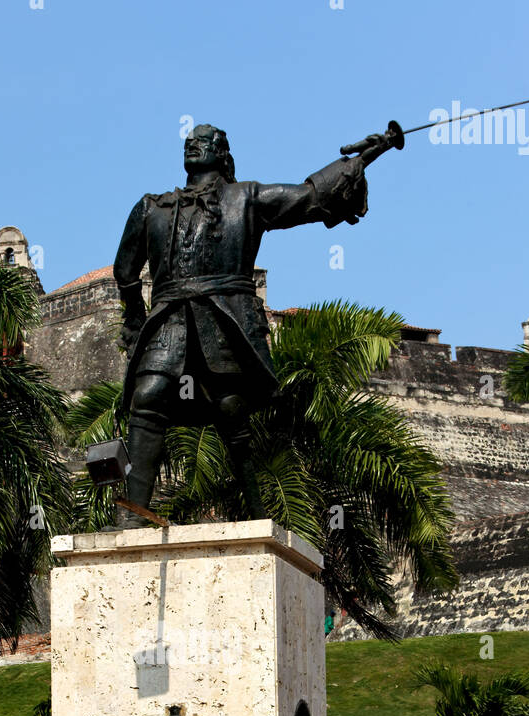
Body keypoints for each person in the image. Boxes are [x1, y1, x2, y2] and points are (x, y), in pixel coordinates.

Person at [113, 124, 375, 524]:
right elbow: (125, 270)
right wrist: (134, 314)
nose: (193, 144)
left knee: (230, 409)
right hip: (168, 317)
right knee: (148, 396)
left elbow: (307, 197)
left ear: (222, 154)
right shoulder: (153, 206)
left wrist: (358, 160)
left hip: (224, 318)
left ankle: (256, 511)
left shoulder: (247, 198)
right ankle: (132, 515)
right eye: (190, 141)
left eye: (204, 142)